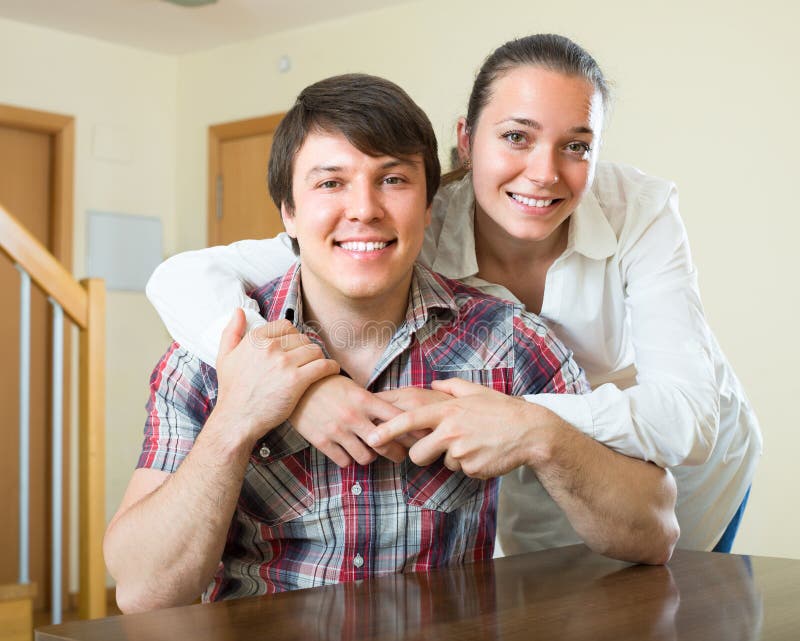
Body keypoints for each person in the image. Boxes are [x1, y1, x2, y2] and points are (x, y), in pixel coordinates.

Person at [146, 34, 756, 554]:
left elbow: (686, 423)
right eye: (516, 136)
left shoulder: (640, 209)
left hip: (681, 474)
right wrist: (296, 386)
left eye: (577, 146)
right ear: (466, 138)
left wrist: (527, 420)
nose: (544, 172)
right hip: (525, 463)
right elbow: (182, 278)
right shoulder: (407, 221)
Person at [105, 73, 678, 613]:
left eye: (393, 180)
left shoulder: (507, 338)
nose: (364, 210)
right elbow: (143, 593)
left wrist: (540, 433)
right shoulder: (212, 350)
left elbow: (654, 532)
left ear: (429, 208)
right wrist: (236, 420)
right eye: (331, 183)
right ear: (289, 213)